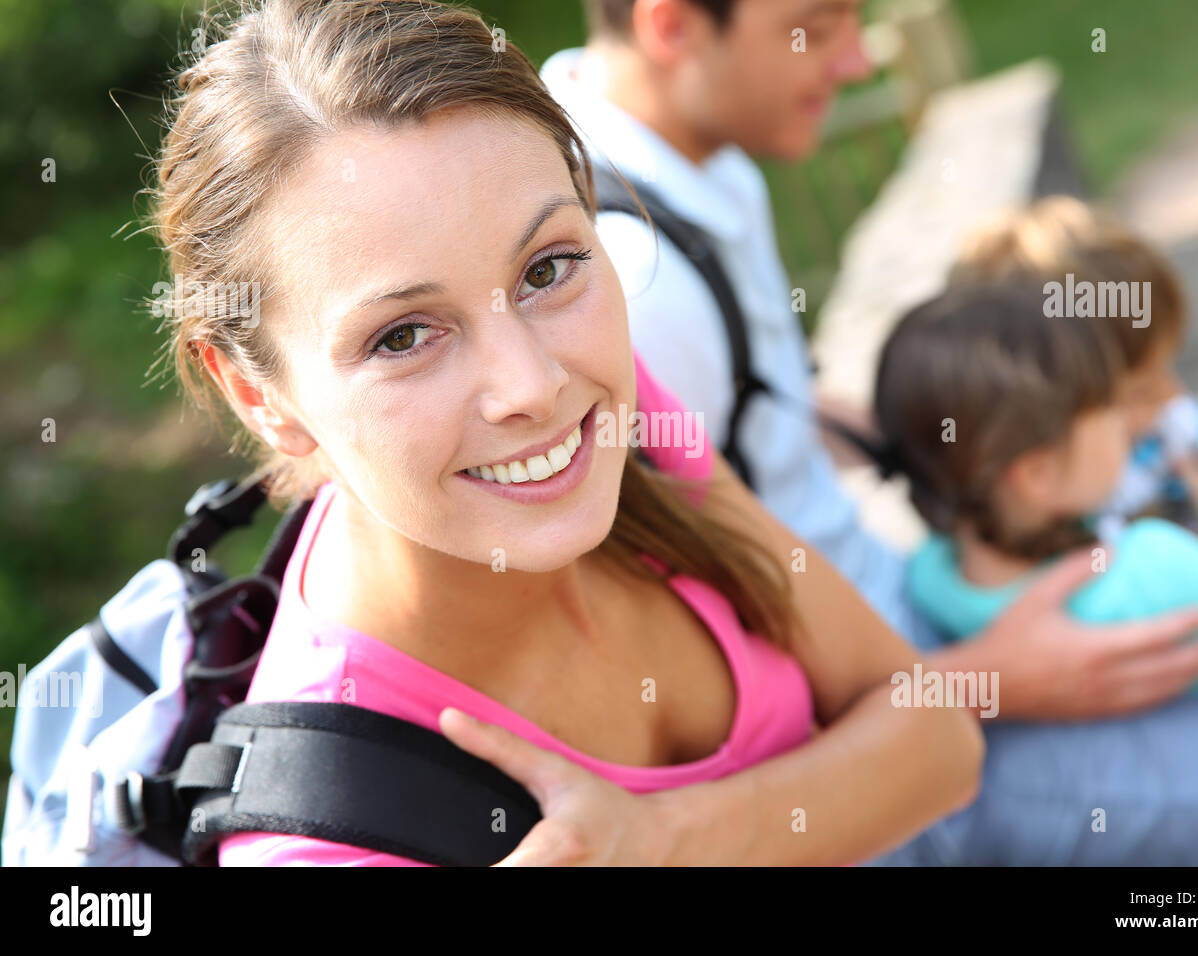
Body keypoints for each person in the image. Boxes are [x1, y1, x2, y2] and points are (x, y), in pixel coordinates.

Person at [147, 0, 983, 866]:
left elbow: (939, 736)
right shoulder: (320, 847)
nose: (534, 386)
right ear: (257, 393)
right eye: (402, 336)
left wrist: (664, 843)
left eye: (548, 268)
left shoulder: (626, 416)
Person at [543, 0, 1198, 863]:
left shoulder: (703, 169)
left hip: (919, 629)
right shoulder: (635, 286)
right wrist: (994, 680)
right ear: (673, 26)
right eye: (816, 28)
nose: (859, 61)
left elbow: (773, 422)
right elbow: (704, 695)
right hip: (897, 745)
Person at [874, 281, 1198, 699]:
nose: (1128, 422)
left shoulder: (933, 574)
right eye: (1109, 409)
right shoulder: (1162, 570)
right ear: (1038, 475)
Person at [949, 195, 1198, 536]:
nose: (1170, 394)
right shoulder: (1059, 506)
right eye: (1140, 392)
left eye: (1165, 366)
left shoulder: (1178, 427)